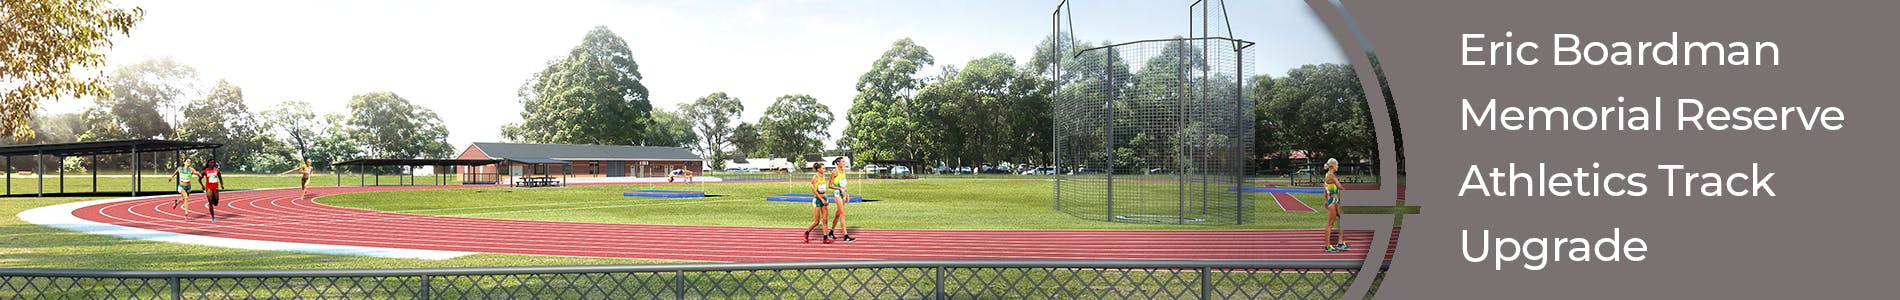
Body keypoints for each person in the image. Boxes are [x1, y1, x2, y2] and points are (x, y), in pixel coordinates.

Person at [826, 157, 855, 242]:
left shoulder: (844, 171)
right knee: (843, 214)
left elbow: (844, 184)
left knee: (838, 214)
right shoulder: (834, 172)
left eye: (844, 162)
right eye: (842, 162)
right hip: (837, 194)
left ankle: (831, 232)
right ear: (838, 163)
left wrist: (846, 193)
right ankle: (845, 236)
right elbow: (830, 185)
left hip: (843, 194)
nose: (844, 163)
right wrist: (839, 188)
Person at [1322, 158, 1349, 252]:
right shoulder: (1331, 176)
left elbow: (1324, 188)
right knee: (1330, 224)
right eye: (1337, 165)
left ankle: (1340, 243)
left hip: (1334, 200)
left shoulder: (1328, 175)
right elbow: (1340, 186)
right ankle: (1327, 246)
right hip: (1333, 201)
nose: (1338, 167)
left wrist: (1325, 201)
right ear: (1333, 166)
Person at [803, 163, 832, 243]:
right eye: (823, 168)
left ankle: (825, 237)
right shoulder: (815, 178)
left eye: (824, 168)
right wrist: (821, 199)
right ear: (818, 169)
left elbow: (824, 189)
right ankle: (807, 232)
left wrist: (826, 198)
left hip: (824, 198)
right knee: (816, 222)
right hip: (818, 199)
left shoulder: (823, 177)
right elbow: (814, 191)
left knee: (825, 220)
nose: (824, 169)